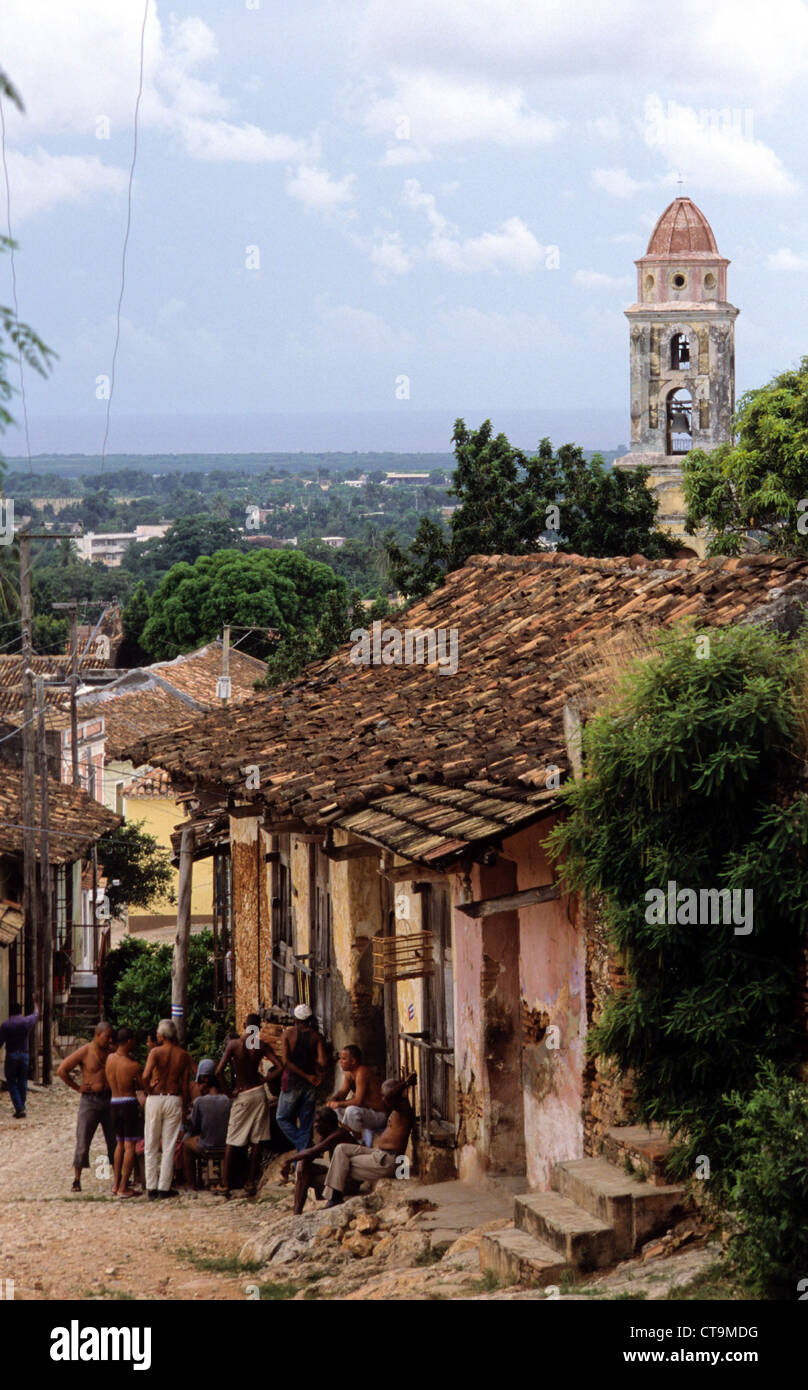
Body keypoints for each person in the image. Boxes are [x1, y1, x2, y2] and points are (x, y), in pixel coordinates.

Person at [321, 1074, 416, 1208]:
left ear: (395, 1095)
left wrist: (406, 1084)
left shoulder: (403, 1109)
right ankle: (334, 1195)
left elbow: (389, 1096)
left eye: (384, 1096)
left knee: (343, 1164)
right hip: (378, 1154)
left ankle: (335, 1197)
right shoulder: (396, 1108)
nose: (383, 1099)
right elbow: (389, 1096)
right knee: (341, 1149)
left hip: (387, 1161)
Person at [215, 1013, 282, 1197]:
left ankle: (225, 1183)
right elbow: (280, 1067)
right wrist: (266, 1078)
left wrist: (229, 1093)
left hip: (242, 1094)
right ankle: (250, 1182)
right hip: (259, 1093)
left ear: (244, 1025)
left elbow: (219, 1071)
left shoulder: (234, 1045)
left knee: (233, 1138)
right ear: (259, 1028)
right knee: (257, 1139)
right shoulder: (260, 1045)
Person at [57, 1021, 116, 1191]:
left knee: (113, 1140)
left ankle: (118, 1177)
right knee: (83, 1139)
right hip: (90, 1100)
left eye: (111, 1037)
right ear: (98, 1035)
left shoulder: (111, 1052)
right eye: (107, 1036)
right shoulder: (85, 1051)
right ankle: (77, 1179)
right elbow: (62, 1070)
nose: (109, 1040)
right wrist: (77, 1087)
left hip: (109, 1098)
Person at [141, 1018, 192, 1199]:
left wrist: (148, 1090)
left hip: (155, 1098)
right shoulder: (183, 1055)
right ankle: (164, 1187)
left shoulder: (155, 1052)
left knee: (151, 1143)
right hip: (173, 1098)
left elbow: (145, 1076)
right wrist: (185, 1106)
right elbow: (185, 1085)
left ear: (162, 1035)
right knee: (169, 1145)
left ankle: (151, 1187)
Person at [279, 1106, 354, 1214]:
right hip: (340, 1176)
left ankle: (297, 1212)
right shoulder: (327, 1134)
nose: (315, 1126)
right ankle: (296, 1211)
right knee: (303, 1165)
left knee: (304, 1166)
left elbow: (312, 1151)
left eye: (318, 1122)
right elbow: (311, 1155)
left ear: (328, 1124)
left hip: (349, 1182)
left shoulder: (339, 1134)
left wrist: (288, 1161)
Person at [276, 1004, 327, 1154]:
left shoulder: (288, 1034)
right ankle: (304, 1147)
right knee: (306, 1123)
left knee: (282, 1118)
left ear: (295, 1019)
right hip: (309, 1085)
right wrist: (316, 1076)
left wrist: (306, 1076)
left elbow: (286, 1062)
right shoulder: (316, 1037)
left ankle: (304, 1145)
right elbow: (322, 1061)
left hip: (292, 1082)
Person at [105, 1027, 145, 1199]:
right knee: (130, 1146)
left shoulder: (109, 1059)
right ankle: (123, 1187)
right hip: (128, 1103)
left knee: (119, 1145)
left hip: (114, 1102)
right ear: (129, 1041)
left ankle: (116, 1184)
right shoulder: (134, 1065)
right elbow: (143, 1086)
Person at [327, 1045, 387, 1146]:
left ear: (353, 1061)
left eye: (344, 1059)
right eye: (340, 1058)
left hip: (378, 1115)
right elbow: (342, 1093)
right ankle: (350, 1135)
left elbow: (358, 1101)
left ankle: (357, 1141)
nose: (340, 1061)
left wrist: (338, 1104)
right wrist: (333, 1100)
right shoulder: (349, 1073)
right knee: (334, 1111)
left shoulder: (362, 1072)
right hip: (365, 1112)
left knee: (351, 1110)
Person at [183, 1073, 231, 1189]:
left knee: (186, 1145)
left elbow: (195, 1127)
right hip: (227, 1145)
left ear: (206, 1085)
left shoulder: (199, 1101)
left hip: (207, 1145)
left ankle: (191, 1183)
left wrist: (185, 1119)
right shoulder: (228, 1100)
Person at [0, 998, 39, 1118]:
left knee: (11, 1081)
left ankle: (20, 1107)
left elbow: (0, 1042)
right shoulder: (25, 1022)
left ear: (9, 1012)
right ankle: (21, 1105)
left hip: (11, 1055)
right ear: (20, 1011)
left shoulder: (5, 1025)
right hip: (24, 1054)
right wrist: (36, 1004)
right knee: (23, 1080)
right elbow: (36, 1015)